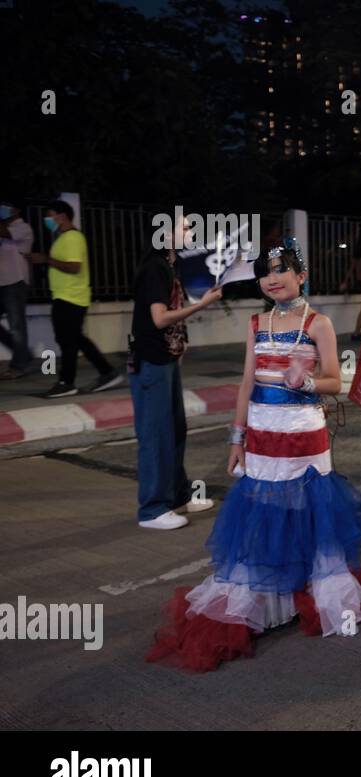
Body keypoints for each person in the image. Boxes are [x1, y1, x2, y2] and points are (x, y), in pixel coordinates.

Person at [146, 238, 361, 673]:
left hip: (304, 436)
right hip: (261, 436)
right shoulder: (257, 323)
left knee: (308, 512)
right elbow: (246, 384)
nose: (272, 279)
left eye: (281, 270)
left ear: (301, 276)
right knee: (264, 512)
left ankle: (311, 589)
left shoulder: (317, 323)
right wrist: (236, 439)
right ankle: (270, 599)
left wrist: (307, 383)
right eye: (264, 272)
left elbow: (337, 381)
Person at [129, 225, 225, 530]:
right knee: (156, 435)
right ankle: (152, 509)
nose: (190, 229)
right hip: (151, 360)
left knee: (175, 430)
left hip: (165, 358)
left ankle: (178, 496)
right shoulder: (156, 267)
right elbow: (159, 319)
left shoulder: (171, 265)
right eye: (183, 226)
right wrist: (203, 304)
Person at [31, 200, 122, 397]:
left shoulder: (72, 238)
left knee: (68, 340)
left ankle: (67, 382)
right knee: (73, 338)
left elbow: (74, 267)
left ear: (62, 215)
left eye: (50, 215)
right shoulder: (63, 237)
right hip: (67, 295)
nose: (47, 219)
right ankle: (106, 372)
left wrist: (46, 259)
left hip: (70, 296)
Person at [0, 201, 35, 379]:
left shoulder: (23, 228)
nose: (2, 208)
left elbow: (5, 233)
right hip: (2, 282)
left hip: (16, 281)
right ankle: (24, 354)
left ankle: (19, 365)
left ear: (17, 209)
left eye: (6, 206)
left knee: (16, 327)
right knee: (15, 328)